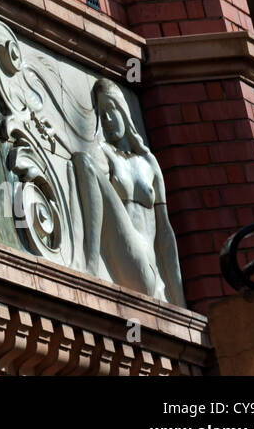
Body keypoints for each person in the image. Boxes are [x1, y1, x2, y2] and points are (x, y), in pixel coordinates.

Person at [71, 78, 185, 306]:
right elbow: (91, 167)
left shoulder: (149, 162)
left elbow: (165, 232)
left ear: (123, 110)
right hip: (131, 261)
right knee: (84, 163)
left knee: (84, 163)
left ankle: (90, 266)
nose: (109, 119)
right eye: (102, 115)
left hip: (150, 272)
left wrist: (179, 300)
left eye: (112, 110)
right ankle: (90, 263)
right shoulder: (106, 153)